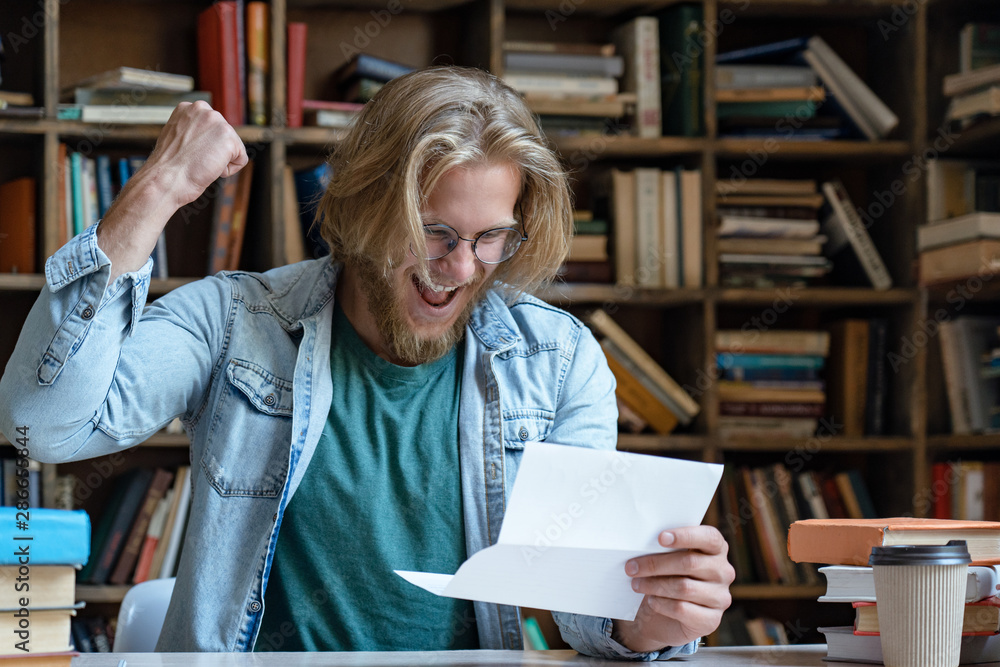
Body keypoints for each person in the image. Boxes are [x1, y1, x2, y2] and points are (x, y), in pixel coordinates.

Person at [0, 66, 733, 657]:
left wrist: (651, 621)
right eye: (435, 231)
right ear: (364, 206)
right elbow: (41, 426)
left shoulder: (560, 358)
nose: (461, 267)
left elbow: (588, 609)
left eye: (491, 238)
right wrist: (156, 191)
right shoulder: (235, 320)